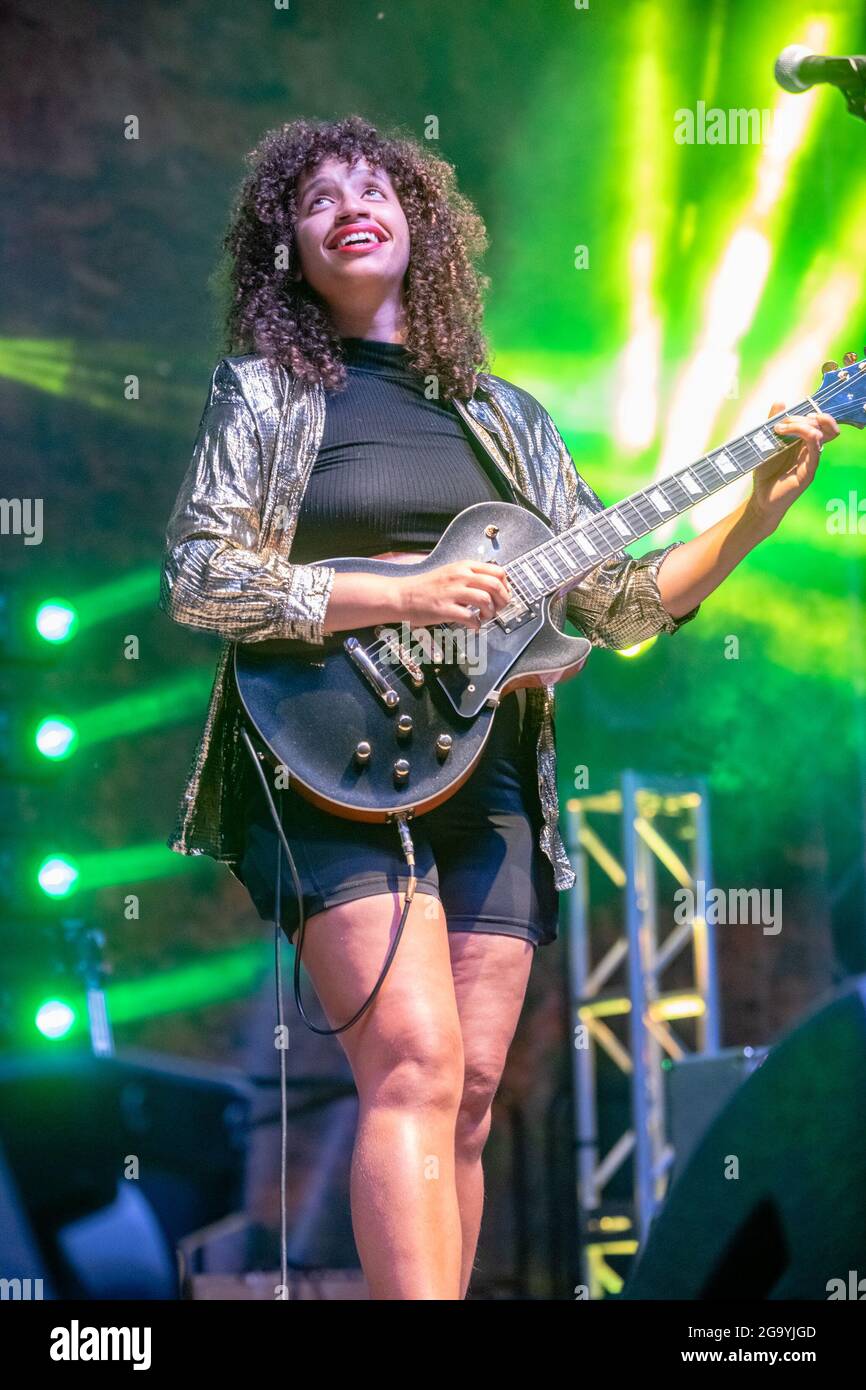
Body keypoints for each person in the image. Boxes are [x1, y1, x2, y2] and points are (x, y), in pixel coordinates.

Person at [159, 115, 838, 1300]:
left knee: (468, 1091)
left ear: (422, 226)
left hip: (494, 770)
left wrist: (754, 512)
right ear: (287, 248)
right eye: (317, 198)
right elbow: (203, 576)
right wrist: (401, 588)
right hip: (325, 747)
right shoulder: (265, 394)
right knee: (412, 1066)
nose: (350, 204)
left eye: (376, 186)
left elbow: (617, 610)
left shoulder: (506, 417)